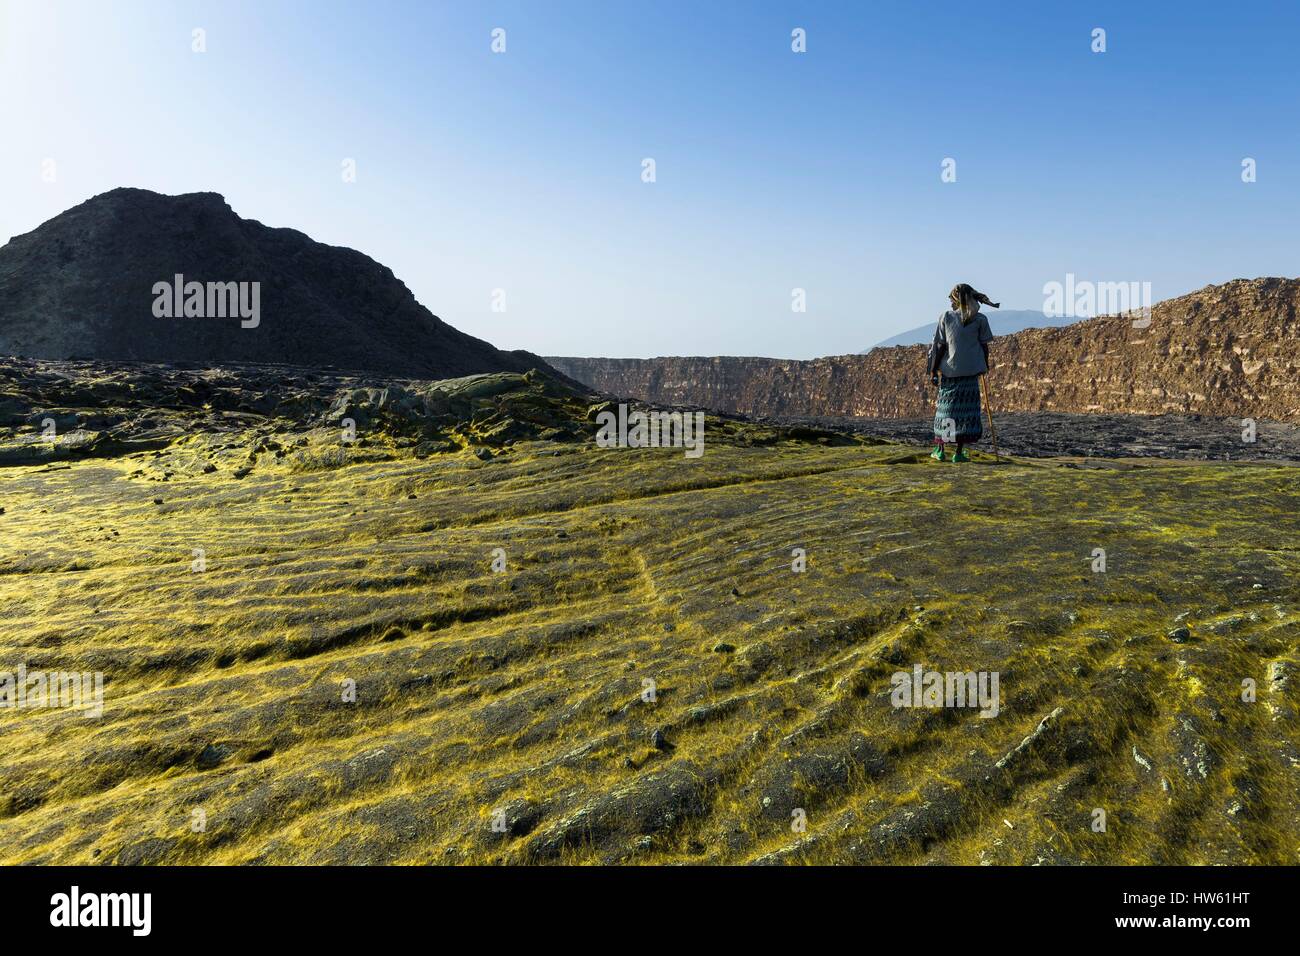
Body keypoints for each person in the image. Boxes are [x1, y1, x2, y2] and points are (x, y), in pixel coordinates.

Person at [926, 284, 998, 462]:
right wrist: (984, 365)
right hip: (971, 371)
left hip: (950, 372)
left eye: (952, 298)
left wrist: (933, 370)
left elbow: (940, 346)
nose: (950, 301)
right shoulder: (980, 319)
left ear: (957, 299)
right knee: (966, 412)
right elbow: (984, 345)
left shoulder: (947, 317)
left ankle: (940, 450)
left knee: (947, 410)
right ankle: (958, 453)